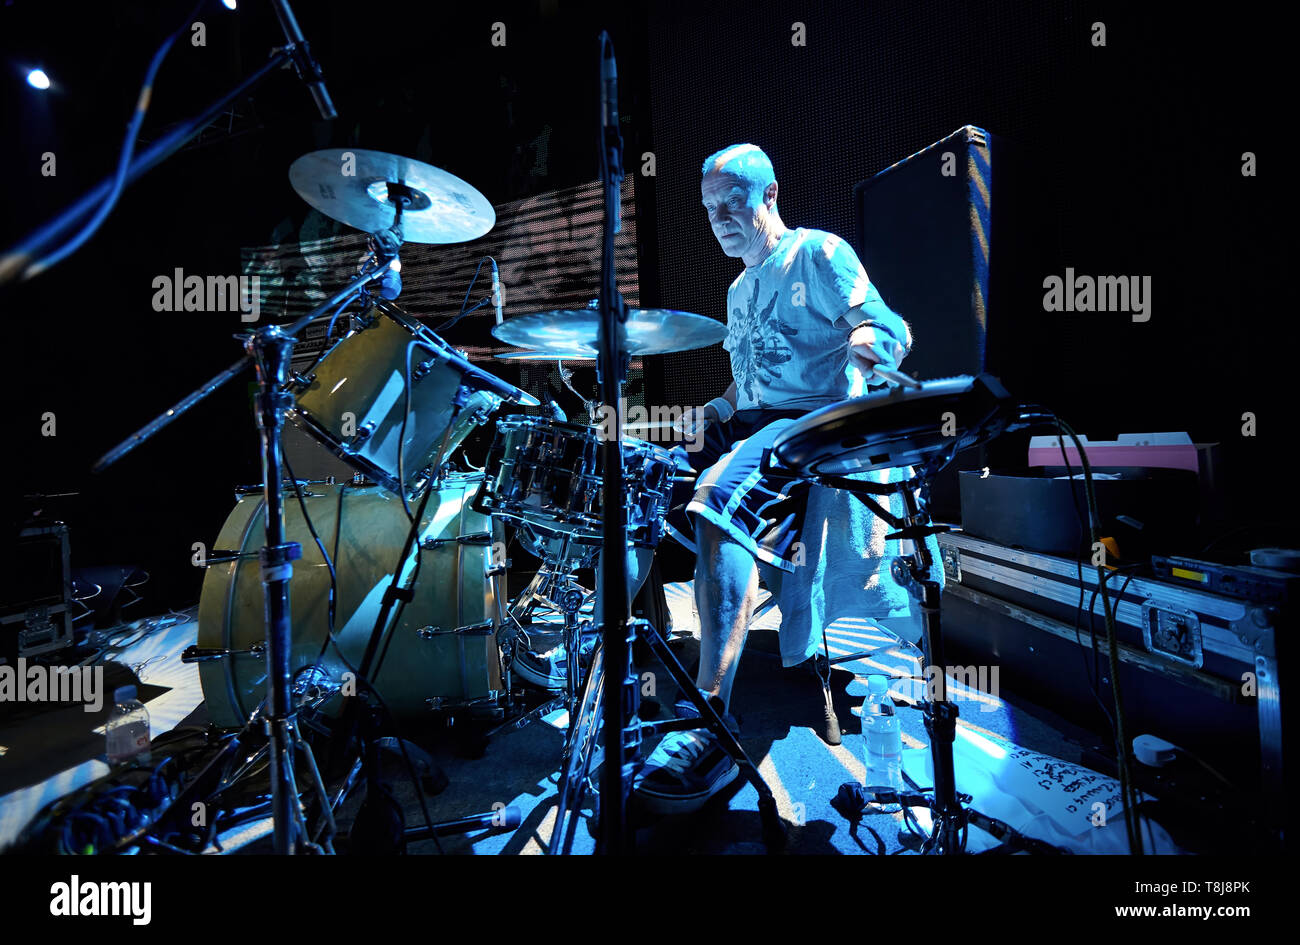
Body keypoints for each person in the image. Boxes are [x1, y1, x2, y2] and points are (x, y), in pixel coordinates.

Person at [633, 143, 914, 813]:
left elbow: (887, 325)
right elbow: (753, 365)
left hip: (814, 425)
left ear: (771, 194)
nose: (721, 218)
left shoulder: (817, 254)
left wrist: (868, 344)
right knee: (638, 477)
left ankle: (710, 715)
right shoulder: (737, 288)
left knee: (719, 497)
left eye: (733, 202)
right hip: (755, 420)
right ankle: (626, 666)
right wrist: (721, 406)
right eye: (709, 208)